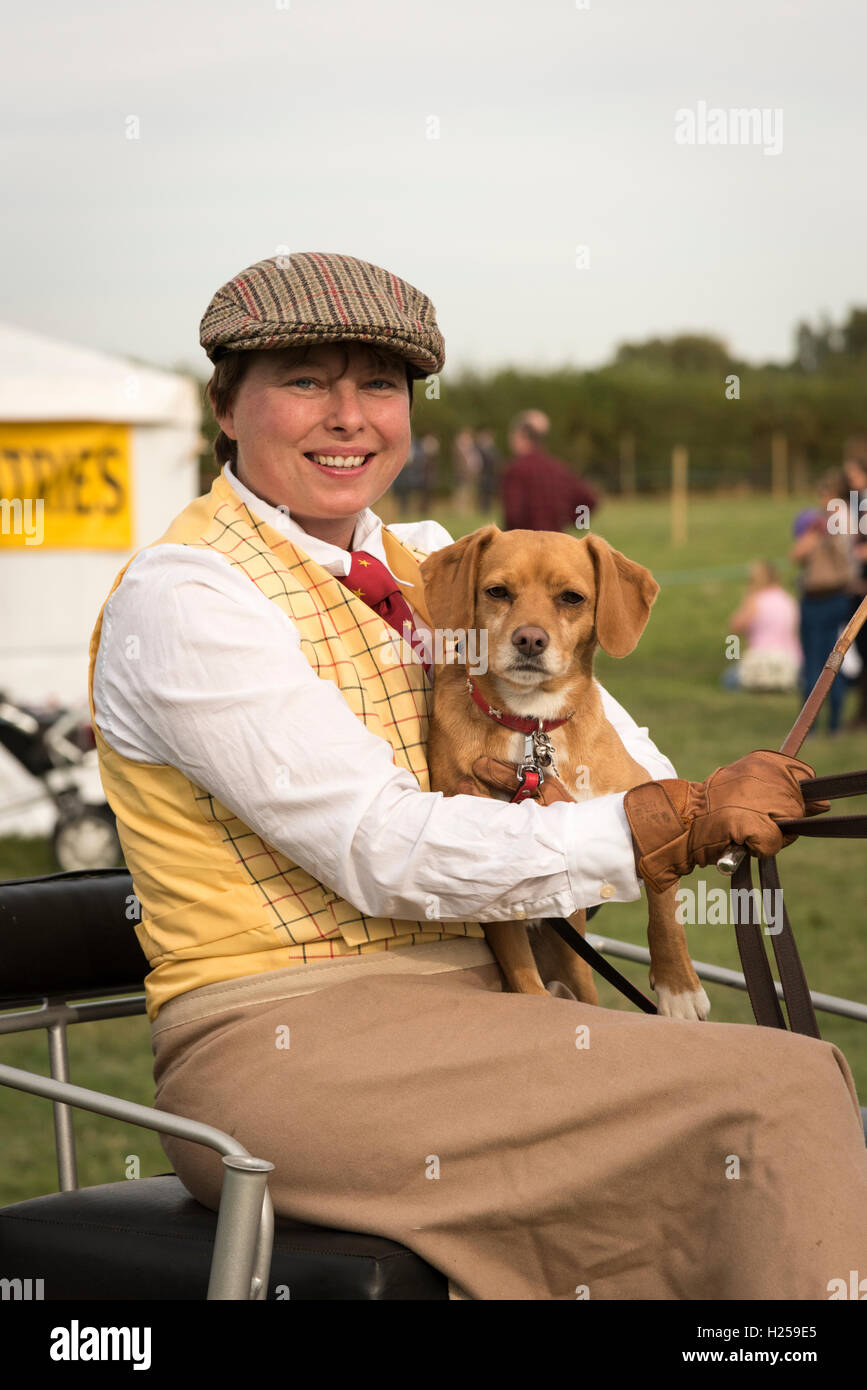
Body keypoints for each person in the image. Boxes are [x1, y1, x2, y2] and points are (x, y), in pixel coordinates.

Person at [87, 252, 867, 1301]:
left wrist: (695, 798)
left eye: (379, 386)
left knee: (756, 1119)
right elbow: (378, 844)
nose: (349, 416)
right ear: (226, 405)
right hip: (285, 1045)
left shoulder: (434, 562)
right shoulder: (187, 594)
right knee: (780, 1091)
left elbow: (610, 736)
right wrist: (647, 829)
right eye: (307, 380)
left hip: (497, 1003)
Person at [791, 469, 855, 734]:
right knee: (817, 663)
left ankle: (827, 724)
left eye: (826, 495)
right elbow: (797, 555)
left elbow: (844, 558)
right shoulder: (822, 523)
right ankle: (814, 727)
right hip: (818, 598)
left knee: (827, 663)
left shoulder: (842, 523)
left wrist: (827, 531)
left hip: (830, 598)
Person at [501, 411, 599, 532]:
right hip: (555, 544)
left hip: (526, 546)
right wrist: (578, 523)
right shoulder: (558, 468)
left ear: (522, 436)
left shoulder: (516, 470)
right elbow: (589, 500)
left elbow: (512, 516)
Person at [722, 560, 801, 692]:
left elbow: (735, 627)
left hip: (761, 661)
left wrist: (745, 601)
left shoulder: (755, 600)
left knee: (728, 679)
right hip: (790, 662)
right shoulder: (789, 601)